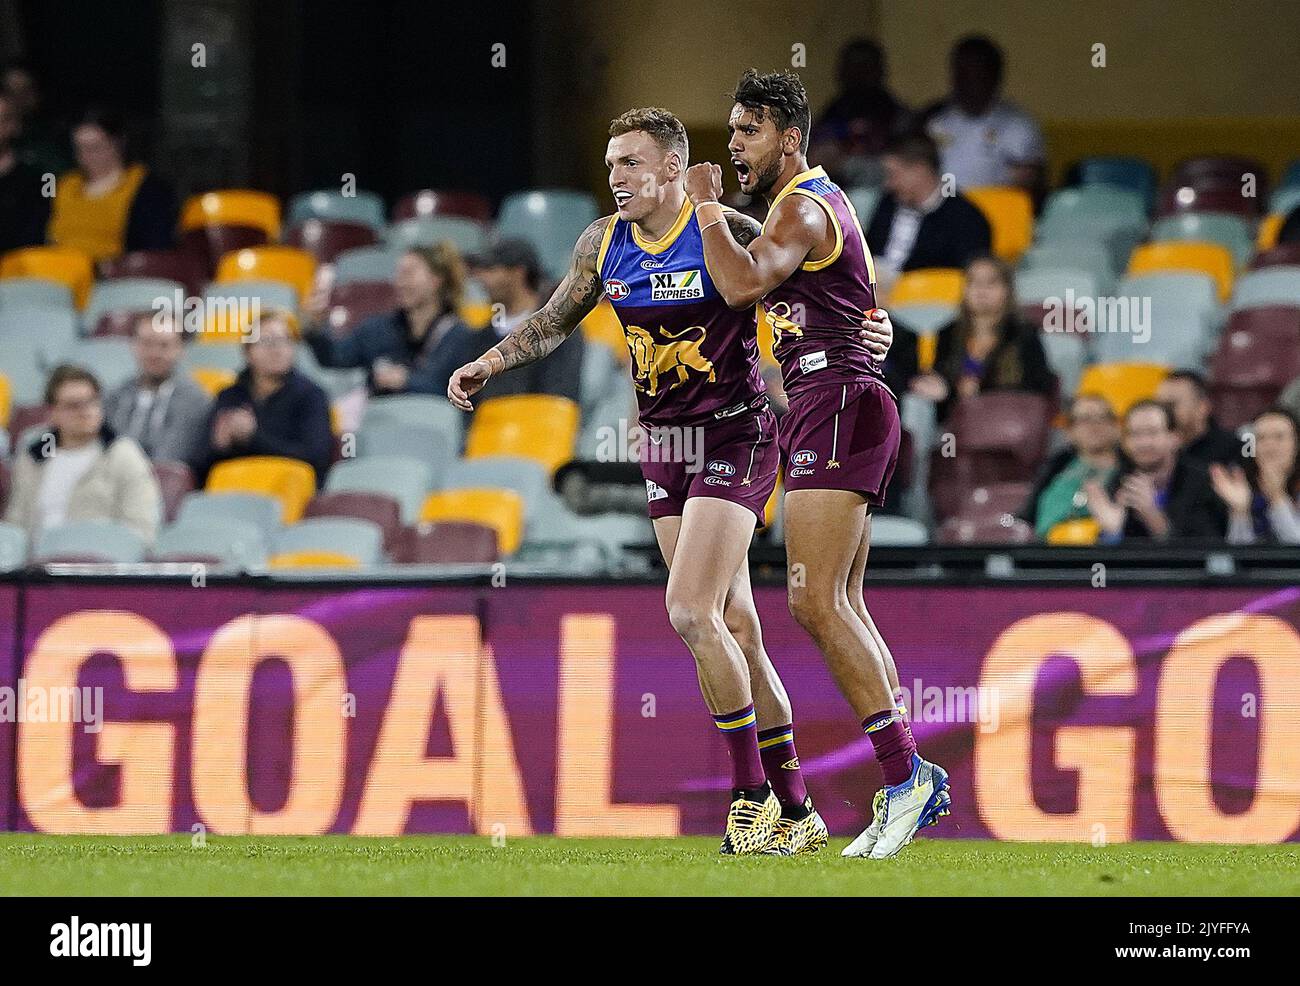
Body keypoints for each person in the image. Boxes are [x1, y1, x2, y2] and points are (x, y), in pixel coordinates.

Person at [450, 107, 892, 856]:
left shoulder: (727, 229)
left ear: (672, 167)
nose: (616, 177)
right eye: (610, 163)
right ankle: (798, 810)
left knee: (690, 612)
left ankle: (748, 797)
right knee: (737, 629)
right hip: (663, 444)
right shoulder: (603, 241)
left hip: (737, 434)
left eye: (630, 163)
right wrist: (491, 363)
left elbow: (818, 284)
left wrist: (875, 328)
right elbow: (556, 320)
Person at [685, 68, 949, 860]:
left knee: (810, 601)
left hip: (837, 403)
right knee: (842, 601)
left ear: (788, 136)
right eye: (730, 131)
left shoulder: (801, 205)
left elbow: (738, 285)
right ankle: (906, 779)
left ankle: (908, 777)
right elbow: (852, 300)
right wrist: (879, 330)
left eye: (747, 132)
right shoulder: (810, 205)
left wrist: (700, 205)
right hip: (833, 400)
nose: (733, 145)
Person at [4, 364, 161, 545]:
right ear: (52, 412)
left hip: (96, 564)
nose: (85, 411)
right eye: (73, 405)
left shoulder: (123, 454)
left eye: (92, 401)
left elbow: (141, 529)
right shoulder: (34, 456)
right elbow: (15, 525)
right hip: (37, 566)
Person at [303, 244, 472, 397]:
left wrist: (406, 381)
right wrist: (316, 327)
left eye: (409, 273)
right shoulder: (377, 329)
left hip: (432, 426)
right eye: (399, 274)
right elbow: (335, 357)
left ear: (436, 280)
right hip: (382, 422)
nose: (400, 282)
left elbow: (460, 390)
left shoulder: (459, 336)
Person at [911, 255, 1056, 421]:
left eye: (991, 283)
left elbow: (1036, 388)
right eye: (973, 282)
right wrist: (944, 390)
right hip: (957, 424)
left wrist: (980, 391)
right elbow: (941, 382)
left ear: (1007, 290)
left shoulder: (1023, 334)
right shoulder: (947, 333)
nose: (981, 290)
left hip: (1009, 422)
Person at [201, 312, 333, 484]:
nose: (276, 350)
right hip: (236, 486)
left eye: (284, 341)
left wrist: (253, 437)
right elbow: (202, 462)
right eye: (266, 342)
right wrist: (219, 446)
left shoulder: (311, 396)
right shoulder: (230, 396)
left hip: (289, 488)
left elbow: (316, 457)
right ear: (247, 351)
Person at [45, 107, 177, 263]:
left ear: (118, 142)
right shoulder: (62, 184)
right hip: (57, 274)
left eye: (95, 148)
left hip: (115, 280)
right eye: (80, 148)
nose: (86, 157)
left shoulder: (147, 188)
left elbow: (153, 248)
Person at [923, 35, 1046, 200]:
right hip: (945, 213)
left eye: (977, 73)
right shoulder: (935, 122)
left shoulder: (1018, 127)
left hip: (997, 215)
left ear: (995, 77)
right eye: (961, 73)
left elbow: (1028, 189)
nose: (967, 81)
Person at [1085, 399, 1227, 541]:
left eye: (1152, 432)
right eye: (1134, 434)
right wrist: (1112, 533)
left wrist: (1151, 514)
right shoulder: (1121, 483)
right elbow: (1110, 559)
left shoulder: (1201, 482)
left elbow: (1205, 551)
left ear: (1175, 437)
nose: (1143, 443)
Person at [865, 131, 992, 290]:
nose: (888, 184)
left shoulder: (965, 217)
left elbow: (965, 275)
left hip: (925, 300)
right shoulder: (888, 202)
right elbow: (867, 248)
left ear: (919, 171)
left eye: (893, 174)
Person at [462, 239, 584, 402]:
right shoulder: (482, 337)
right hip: (486, 425)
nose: (482, 279)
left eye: (490, 269)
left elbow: (559, 394)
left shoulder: (559, 330)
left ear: (518, 272)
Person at [103, 312, 212, 470]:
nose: (154, 353)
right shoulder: (113, 397)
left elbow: (173, 456)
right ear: (133, 345)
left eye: (164, 345)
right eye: (147, 343)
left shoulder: (196, 401)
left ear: (181, 349)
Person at [807, 38, 910, 188]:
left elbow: (907, 162)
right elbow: (814, 159)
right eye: (853, 68)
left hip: (886, 198)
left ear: (879, 71)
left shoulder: (897, 115)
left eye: (865, 68)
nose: (859, 75)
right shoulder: (833, 112)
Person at [1023, 394, 1121, 537]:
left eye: (1102, 417)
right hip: (1046, 550)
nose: (1094, 425)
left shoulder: (1130, 471)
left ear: (1115, 426)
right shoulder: (1055, 467)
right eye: (1085, 419)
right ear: (1069, 431)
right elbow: (1028, 515)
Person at [1210, 407, 1300, 545]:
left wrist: (1277, 498)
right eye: (1261, 438)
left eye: (1279, 437)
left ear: (1296, 444)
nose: (1269, 446)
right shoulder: (1242, 487)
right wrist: (1240, 512)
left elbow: (1295, 551)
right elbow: (1238, 559)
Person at [1156, 370, 1243, 467]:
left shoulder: (1234, 451)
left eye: (1171, 405)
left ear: (1202, 407)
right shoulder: (1152, 450)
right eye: (1159, 406)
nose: (1163, 412)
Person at [0, 90, 50, 253]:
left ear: (15, 125)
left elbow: (40, 231)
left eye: (3, 119)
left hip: (20, 268)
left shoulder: (40, 177)